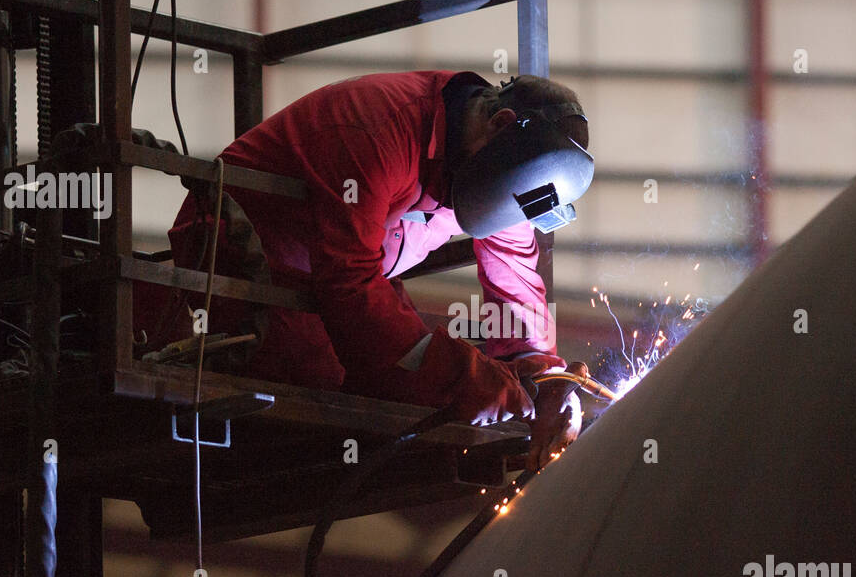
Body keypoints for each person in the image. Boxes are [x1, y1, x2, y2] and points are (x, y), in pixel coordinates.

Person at [135, 70, 594, 469]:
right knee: (336, 393)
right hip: (245, 259)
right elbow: (349, 288)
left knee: (407, 387)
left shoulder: (500, 163)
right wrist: (466, 380)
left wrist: (545, 378)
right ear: (500, 123)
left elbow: (515, 276)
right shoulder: (374, 128)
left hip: (340, 273)